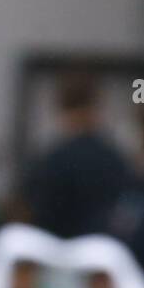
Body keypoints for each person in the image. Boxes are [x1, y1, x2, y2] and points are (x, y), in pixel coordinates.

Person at [23, 71, 130, 240]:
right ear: (96, 108)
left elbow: (35, 212)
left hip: (56, 249)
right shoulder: (115, 160)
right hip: (104, 251)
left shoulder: (50, 161)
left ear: (61, 109)